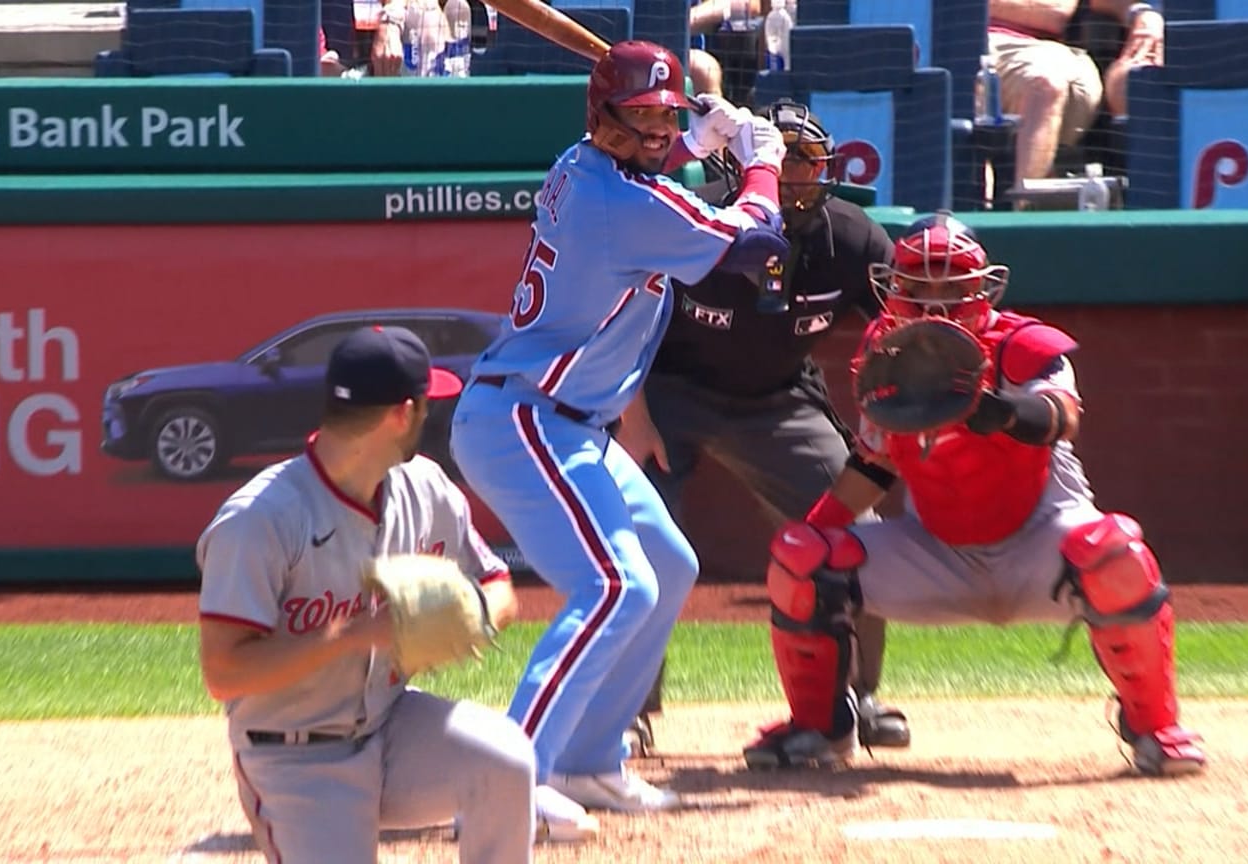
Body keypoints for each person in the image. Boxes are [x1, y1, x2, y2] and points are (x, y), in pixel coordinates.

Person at [740, 214, 1208, 779]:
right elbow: (874, 462)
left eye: (951, 287)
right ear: (894, 288)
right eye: (920, 288)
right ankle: (821, 726)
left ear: (981, 288)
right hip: (937, 551)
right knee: (800, 554)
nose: (935, 304)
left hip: (1040, 541)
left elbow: (1061, 417)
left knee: (1116, 551)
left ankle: (1156, 727)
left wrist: (999, 412)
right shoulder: (885, 353)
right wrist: (813, 538)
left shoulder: (1022, 345)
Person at [449, 40, 789, 813]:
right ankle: (509, 778)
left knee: (666, 566)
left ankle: (586, 760)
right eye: (640, 117)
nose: (657, 130)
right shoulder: (622, 204)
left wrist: (696, 142)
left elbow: (654, 189)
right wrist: (760, 161)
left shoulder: (583, 168)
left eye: (665, 115)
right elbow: (757, 243)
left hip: (568, 422)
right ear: (601, 120)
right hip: (526, 418)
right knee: (613, 585)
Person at [195, 325, 599, 863]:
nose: (432, 413)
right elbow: (224, 673)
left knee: (505, 758)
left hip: (392, 728)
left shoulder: (425, 487)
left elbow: (497, 585)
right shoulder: (259, 519)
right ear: (403, 413)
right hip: (295, 757)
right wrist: (353, 633)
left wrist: (469, 616)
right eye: (429, 402)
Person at [615, 99, 910, 757]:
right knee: (640, 538)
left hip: (778, 400)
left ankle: (856, 696)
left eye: (809, 160)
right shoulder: (694, 224)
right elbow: (619, 319)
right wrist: (633, 418)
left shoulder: (853, 239)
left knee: (855, 529)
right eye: (784, 159)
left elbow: (904, 330)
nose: (798, 175)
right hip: (668, 395)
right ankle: (625, 712)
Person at [988, 0, 1163, 186]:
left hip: (1029, 48)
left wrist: (1144, 14)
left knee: (1046, 83)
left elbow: (1056, 10)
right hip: (967, 42)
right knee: (971, 86)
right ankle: (976, 201)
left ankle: (1025, 201)